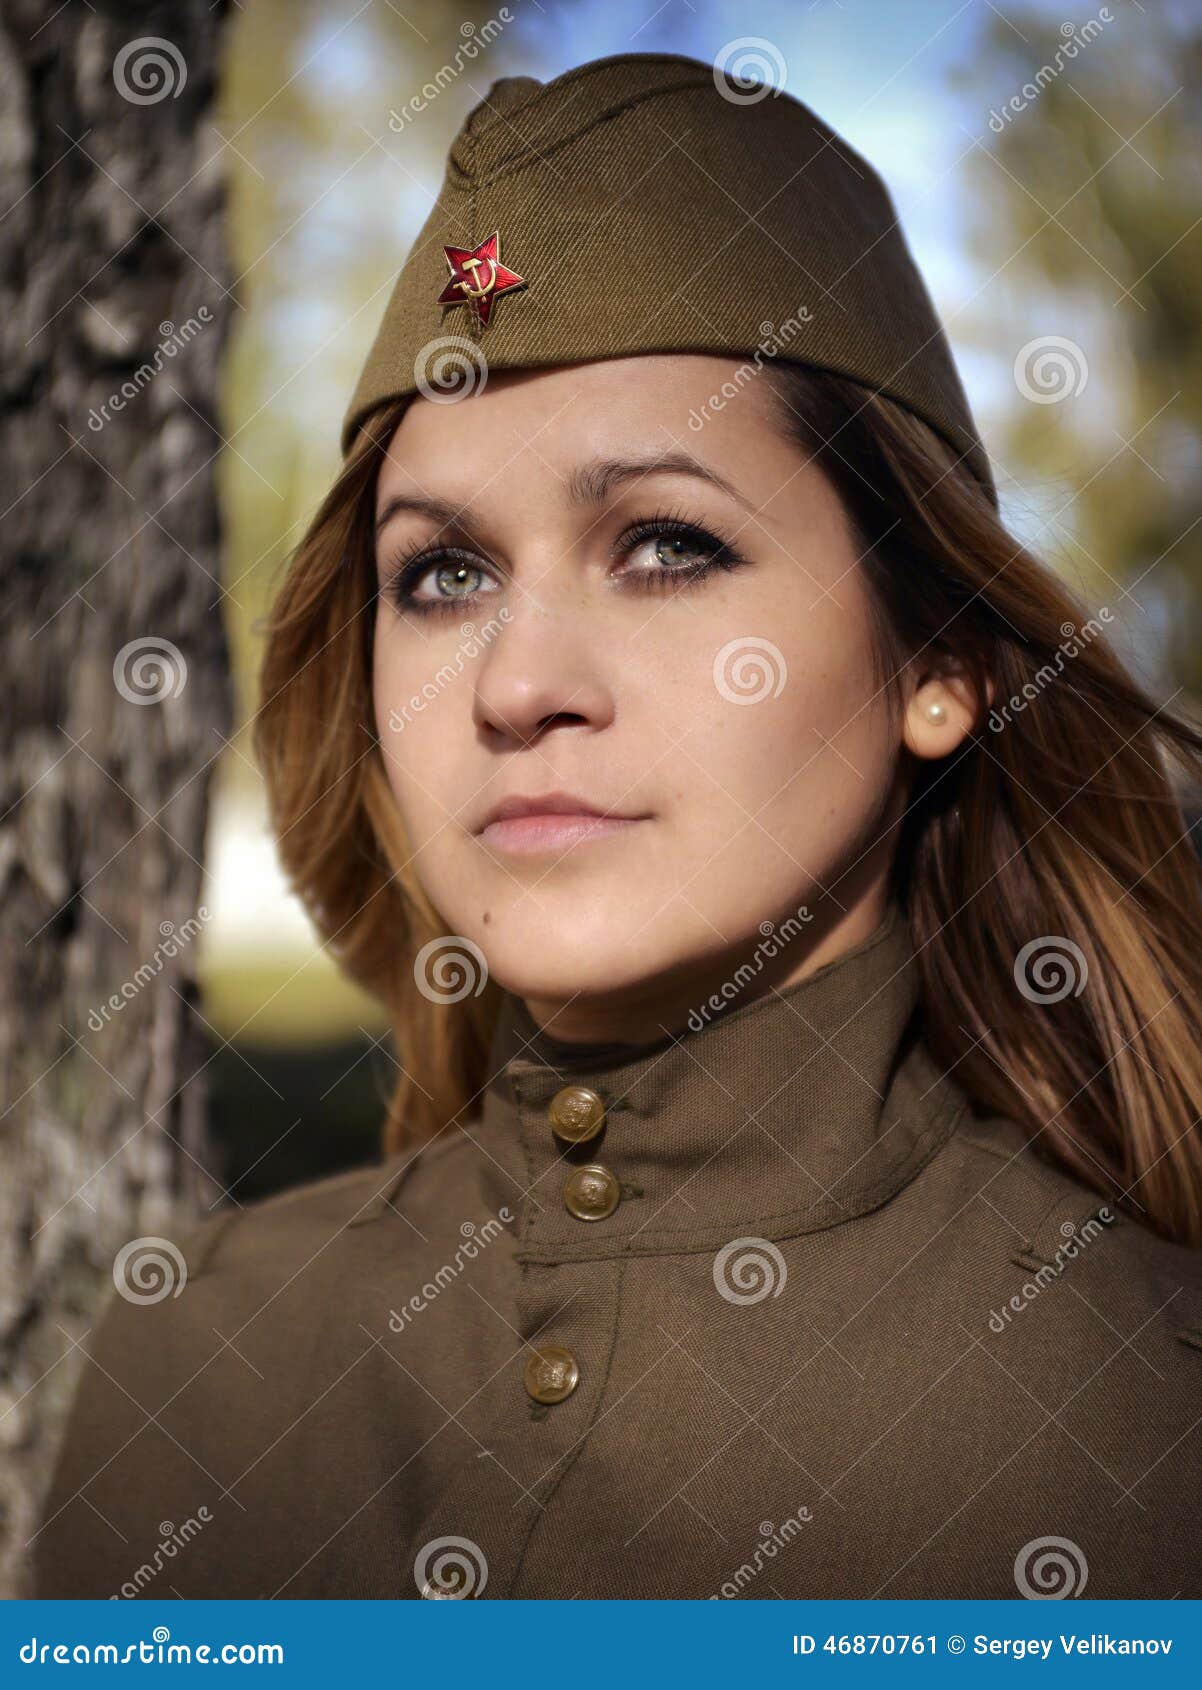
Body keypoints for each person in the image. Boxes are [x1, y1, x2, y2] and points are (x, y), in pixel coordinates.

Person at [35, 51, 1202, 1602]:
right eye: (443, 573)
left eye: (664, 545)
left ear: (936, 662)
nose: (517, 684)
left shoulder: (1139, 1406)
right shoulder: (205, 1359)